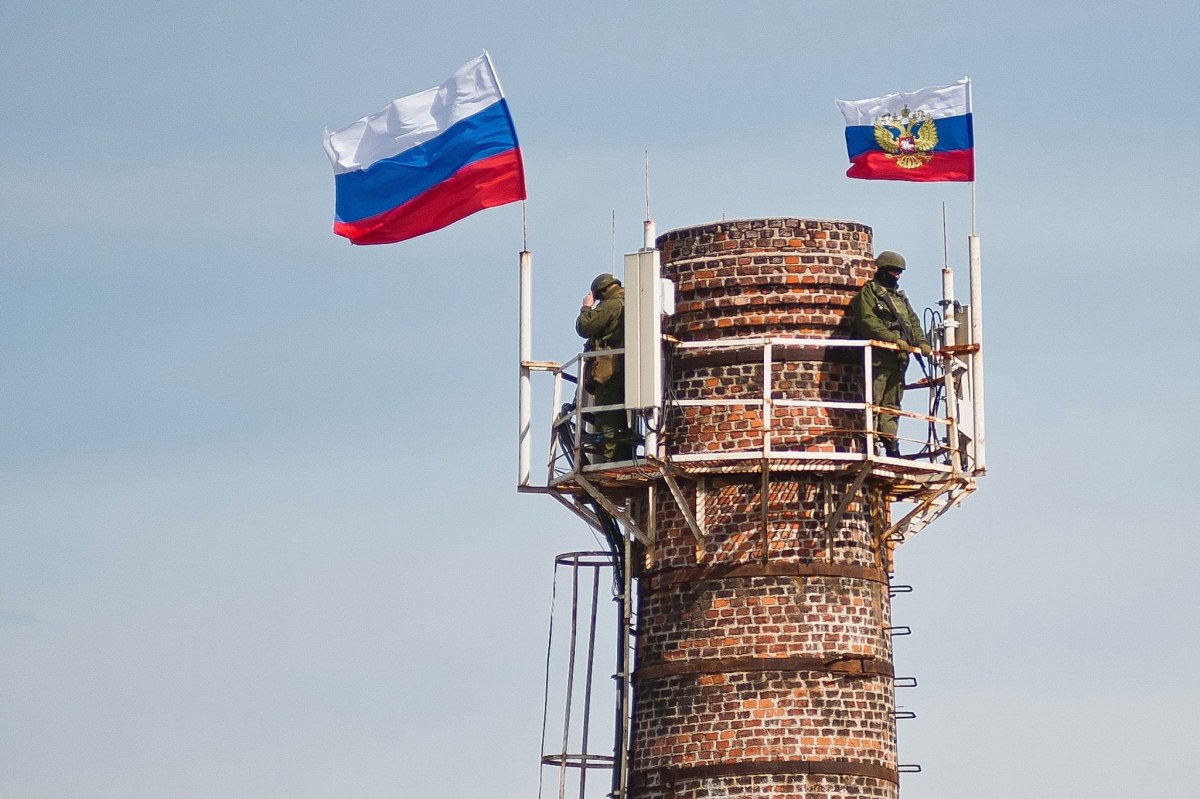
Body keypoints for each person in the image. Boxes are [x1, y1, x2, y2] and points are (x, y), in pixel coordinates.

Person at [849, 251, 933, 457]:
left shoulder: (900, 298)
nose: (896, 275)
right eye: (893, 271)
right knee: (873, 401)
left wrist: (921, 342)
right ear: (882, 270)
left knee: (892, 404)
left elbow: (912, 322)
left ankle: (890, 445)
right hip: (878, 358)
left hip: (898, 360)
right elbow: (867, 321)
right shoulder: (869, 293)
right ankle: (869, 441)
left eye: (899, 272)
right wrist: (892, 339)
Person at [576, 273, 631, 461]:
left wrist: (586, 307)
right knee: (621, 416)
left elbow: (585, 327)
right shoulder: (629, 301)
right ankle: (623, 456)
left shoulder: (612, 304)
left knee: (607, 416)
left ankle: (610, 458)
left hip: (609, 370)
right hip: (626, 368)